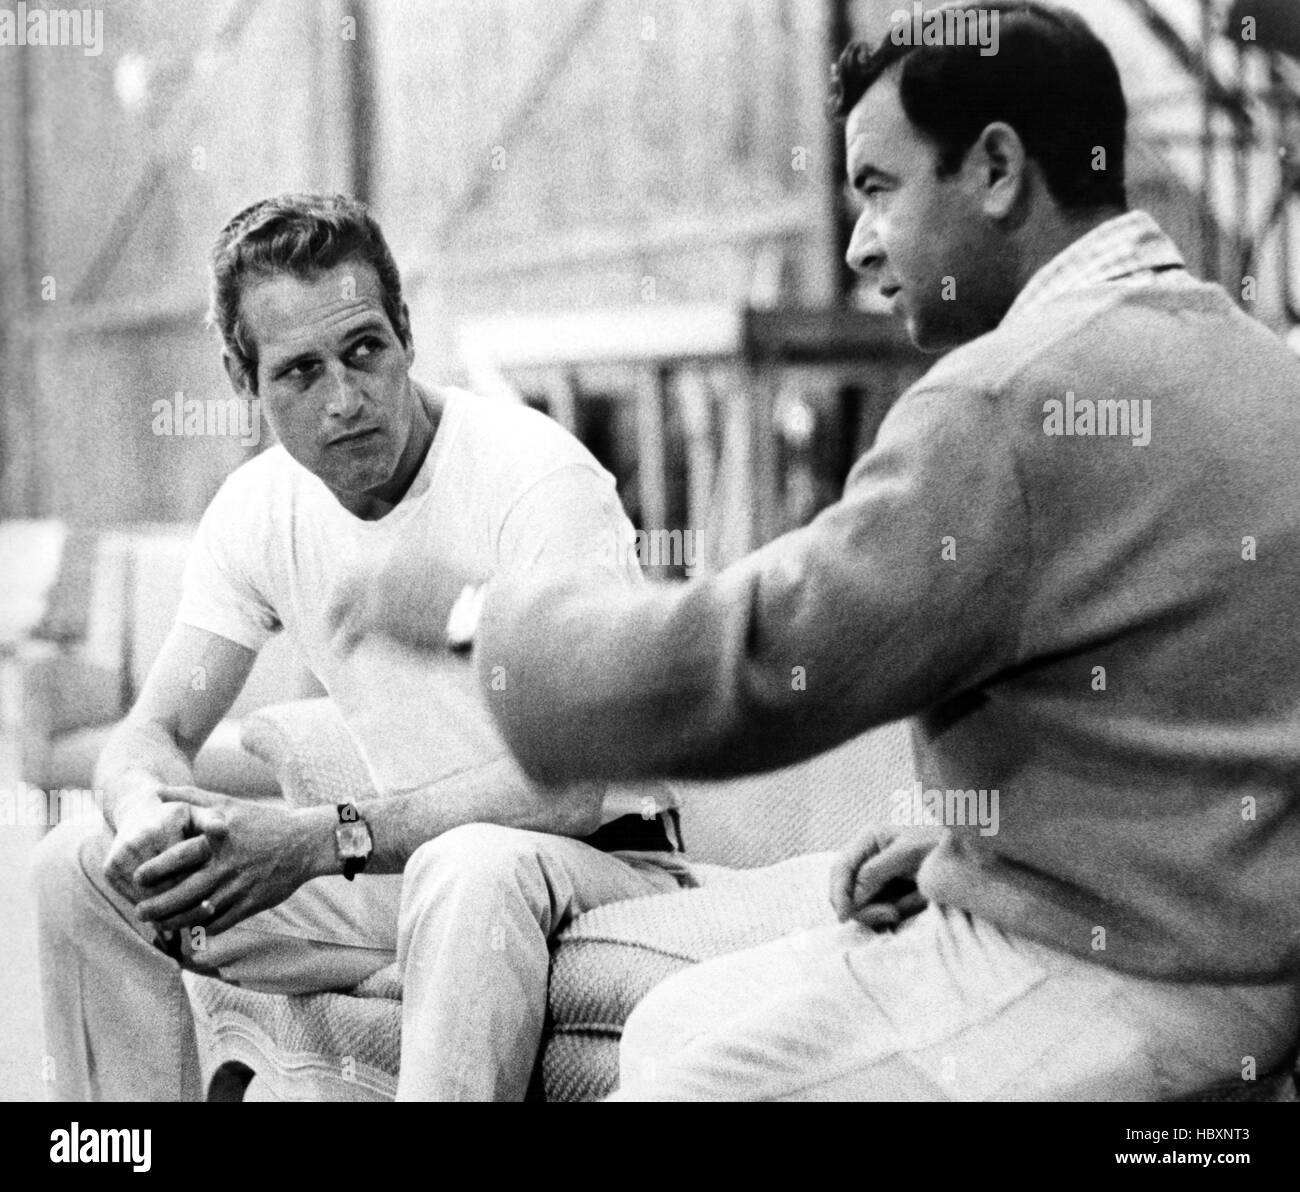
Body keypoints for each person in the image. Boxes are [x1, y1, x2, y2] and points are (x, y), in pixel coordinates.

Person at [461, 1, 1300, 1099]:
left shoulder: (1003, 399)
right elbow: (1192, 711)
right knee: (670, 1023)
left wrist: (485, 619)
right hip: (1234, 955)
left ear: (995, 168)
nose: (857, 245)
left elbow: (757, 668)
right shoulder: (1260, 366)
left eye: (875, 188)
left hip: (1118, 972)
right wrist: (972, 849)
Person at [32, 192, 691, 1103]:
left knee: (472, 865)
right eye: (300, 372)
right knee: (75, 867)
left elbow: (572, 787)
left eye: (364, 350)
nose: (346, 401)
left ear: (407, 334)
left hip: (597, 863)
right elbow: (152, 731)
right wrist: (144, 808)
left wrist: (320, 837)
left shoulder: (534, 476)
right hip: (405, 876)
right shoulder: (260, 511)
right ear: (242, 378)